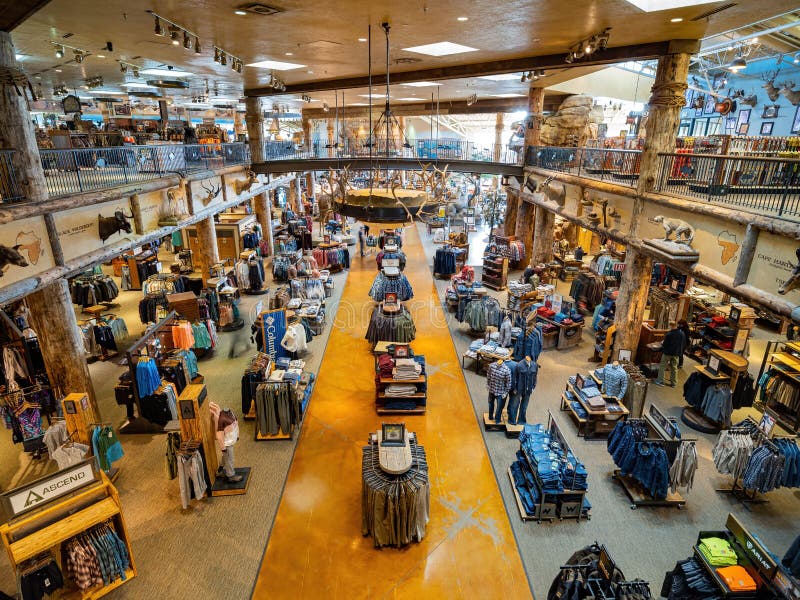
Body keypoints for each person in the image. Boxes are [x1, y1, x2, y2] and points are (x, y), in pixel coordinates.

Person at [655, 321, 686, 387]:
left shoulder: (669, 334)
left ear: (671, 326)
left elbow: (665, 344)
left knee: (662, 366)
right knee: (674, 368)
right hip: (676, 354)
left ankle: (660, 381)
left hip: (667, 353)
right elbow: (683, 344)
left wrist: (661, 344)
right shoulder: (682, 333)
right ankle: (673, 383)